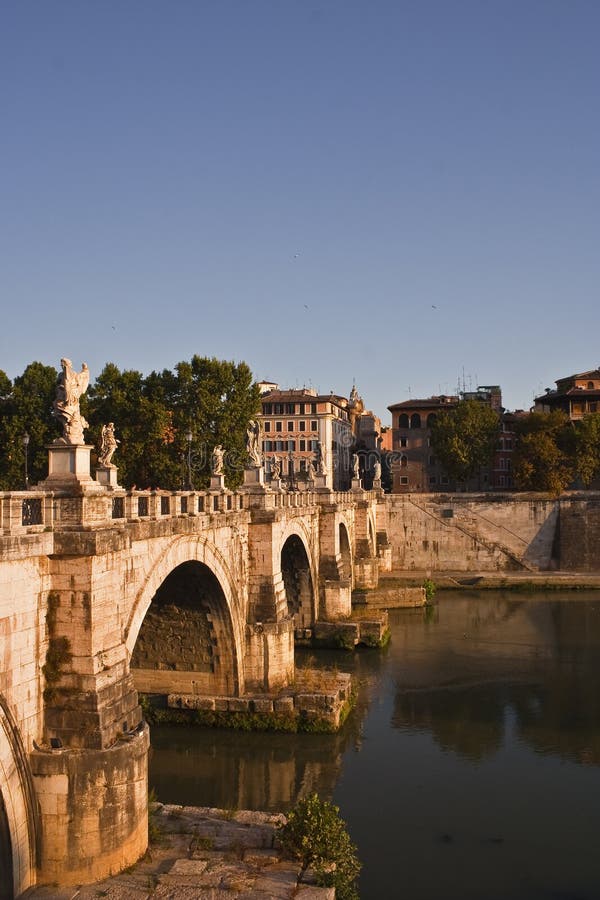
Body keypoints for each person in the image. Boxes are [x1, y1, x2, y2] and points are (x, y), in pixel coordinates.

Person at [53, 358, 90, 444]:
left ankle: (70, 431)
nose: (62, 366)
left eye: (63, 364)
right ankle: (67, 429)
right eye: (61, 364)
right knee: (59, 411)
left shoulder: (74, 374)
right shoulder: (60, 375)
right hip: (62, 396)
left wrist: (85, 370)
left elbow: (79, 383)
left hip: (71, 397)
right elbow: (58, 382)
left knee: (68, 413)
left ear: (67, 365)